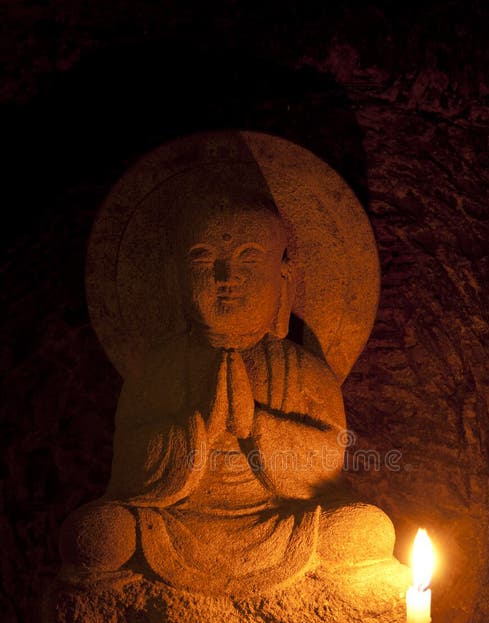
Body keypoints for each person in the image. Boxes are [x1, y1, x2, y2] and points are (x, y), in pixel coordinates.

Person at [60, 189, 398, 596]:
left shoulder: (303, 368)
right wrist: (196, 428)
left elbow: (331, 457)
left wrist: (258, 427)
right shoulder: (159, 368)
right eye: (203, 258)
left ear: (284, 278)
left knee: (366, 531)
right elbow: (129, 460)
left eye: (250, 258)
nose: (227, 277)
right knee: (96, 537)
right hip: (172, 522)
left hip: (283, 521)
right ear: (176, 280)